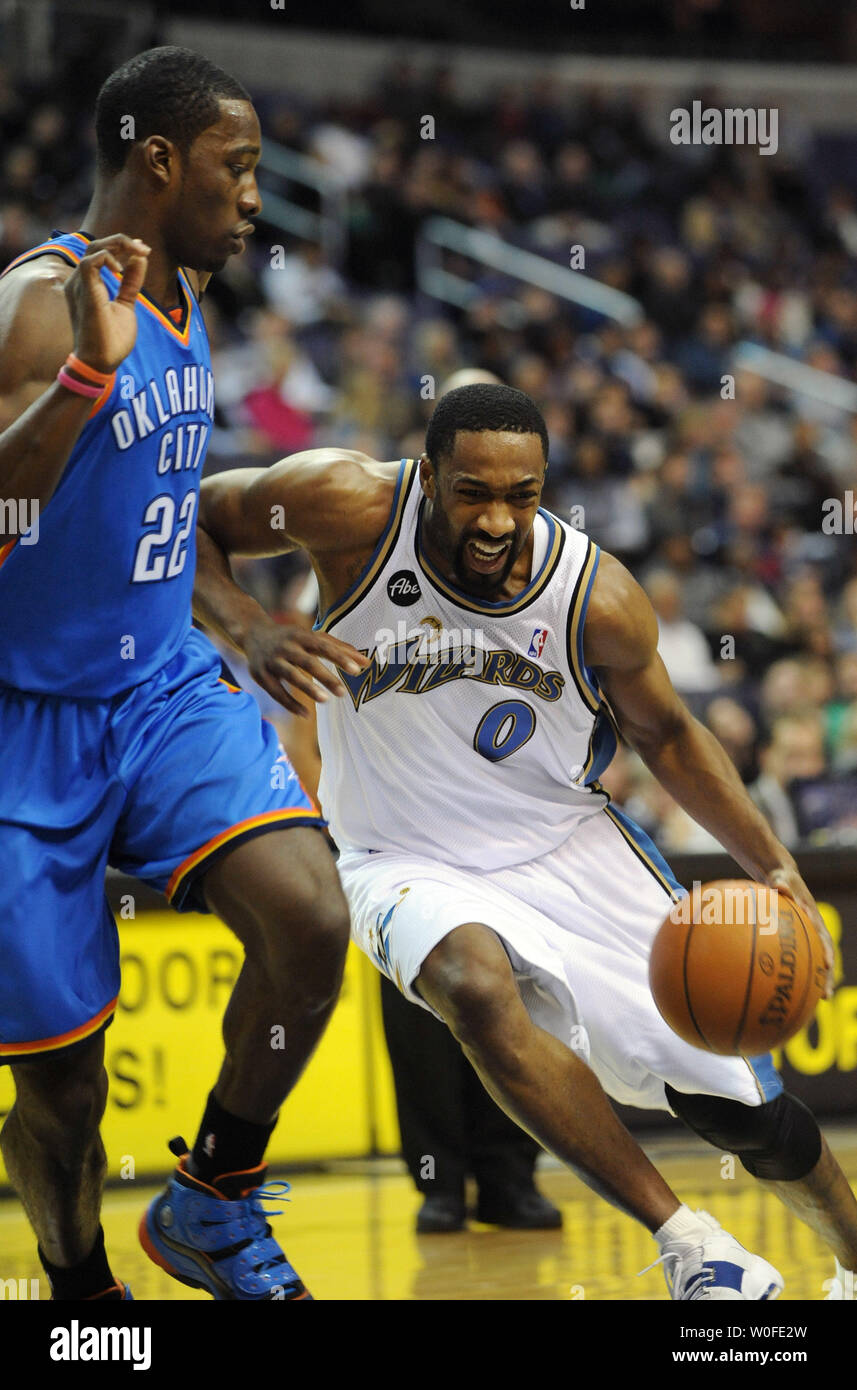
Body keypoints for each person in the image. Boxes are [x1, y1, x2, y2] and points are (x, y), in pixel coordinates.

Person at [194, 383, 857, 1301]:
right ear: (427, 476)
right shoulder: (342, 505)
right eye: (472, 492)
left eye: (523, 494)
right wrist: (248, 625)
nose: (499, 518)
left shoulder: (597, 596)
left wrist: (773, 864)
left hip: (565, 845)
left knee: (755, 1122)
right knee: (472, 983)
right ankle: (692, 1246)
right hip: (398, 856)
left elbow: (666, 735)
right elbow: (185, 521)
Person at [0, 46, 368, 1303]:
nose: (256, 192)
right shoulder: (44, 303)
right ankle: (79, 1291)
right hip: (24, 723)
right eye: (238, 165)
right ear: (157, 161)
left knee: (313, 917)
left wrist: (239, 621)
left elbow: (159, 509)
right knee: (60, 1087)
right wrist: (83, 381)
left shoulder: (190, 285)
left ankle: (212, 1196)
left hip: (158, 689)